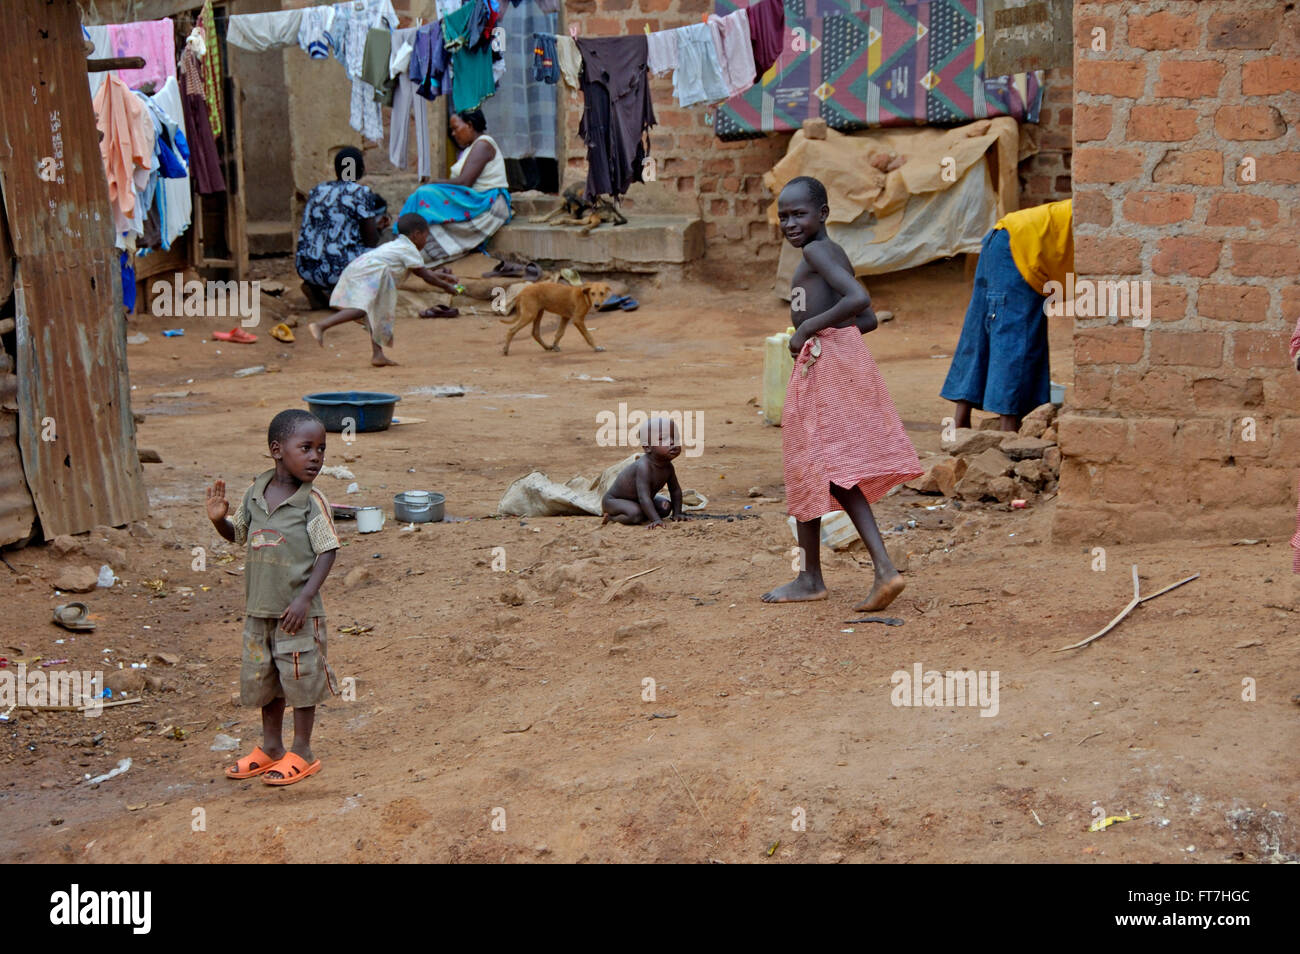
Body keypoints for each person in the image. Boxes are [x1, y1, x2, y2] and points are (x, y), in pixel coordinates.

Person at [762, 176, 923, 611]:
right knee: (809, 467)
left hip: (826, 368)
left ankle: (881, 569)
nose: (790, 223)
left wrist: (810, 329)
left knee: (828, 468)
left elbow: (859, 297)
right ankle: (810, 576)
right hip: (831, 362)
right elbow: (866, 319)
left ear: (823, 215)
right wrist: (816, 331)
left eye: (799, 214)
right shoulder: (829, 254)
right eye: (784, 216)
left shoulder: (817, 252)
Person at [204, 410, 339, 786]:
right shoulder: (254, 494)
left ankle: (304, 751)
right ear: (277, 450)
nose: (316, 457)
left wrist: (304, 599)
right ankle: (271, 747)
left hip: (298, 613)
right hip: (260, 610)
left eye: (321, 450)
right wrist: (219, 521)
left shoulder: (312, 501)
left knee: (301, 679)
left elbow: (328, 550)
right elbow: (239, 536)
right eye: (307, 448)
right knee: (268, 680)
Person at [941, 199, 1073, 431]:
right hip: (1019, 249)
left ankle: (961, 422)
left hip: (1000, 236)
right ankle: (1008, 428)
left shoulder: (1089, 206)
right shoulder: (1100, 214)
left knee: (981, 326)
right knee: (1017, 333)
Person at [307, 213, 461, 366]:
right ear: (416, 234)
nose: (426, 241)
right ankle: (321, 325)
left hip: (364, 269)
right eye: (426, 237)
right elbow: (425, 276)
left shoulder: (400, 245)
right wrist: (448, 287)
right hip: (370, 273)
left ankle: (378, 355)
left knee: (375, 312)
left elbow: (423, 272)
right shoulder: (408, 249)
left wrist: (444, 277)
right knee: (363, 309)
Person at [396, 109, 513, 272]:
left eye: (455, 128)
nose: (453, 134)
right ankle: (408, 242)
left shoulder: (483, 144)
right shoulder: (471, 148)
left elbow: (464, 182)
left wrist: (434, 183)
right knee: (424, 196)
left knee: (425, 194)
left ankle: (409, 243)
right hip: (475, 198)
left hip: (486, 201)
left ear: (470, 125)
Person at [295, 146, 390, 310]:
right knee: (379, 255)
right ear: (360, 170)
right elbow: (371, 241)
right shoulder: (360, 193)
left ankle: (316, 288)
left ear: (337, 169)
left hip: (306, 268)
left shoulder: (317, 190)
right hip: (338, 270)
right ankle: (342, 296)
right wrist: (378, 227)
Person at [602, 418, 686, 527]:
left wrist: (677, 513)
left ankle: (644, 513)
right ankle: (610, 517)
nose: (671, 442)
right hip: (615, 501)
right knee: (635, 514)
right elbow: (644, 497)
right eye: (662, 439)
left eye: (675, 438)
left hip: (638, 501)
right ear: (647, 447)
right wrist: (656, 519)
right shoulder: (644, 467)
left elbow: (675, 490)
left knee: (665, 507)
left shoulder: (668, 467)